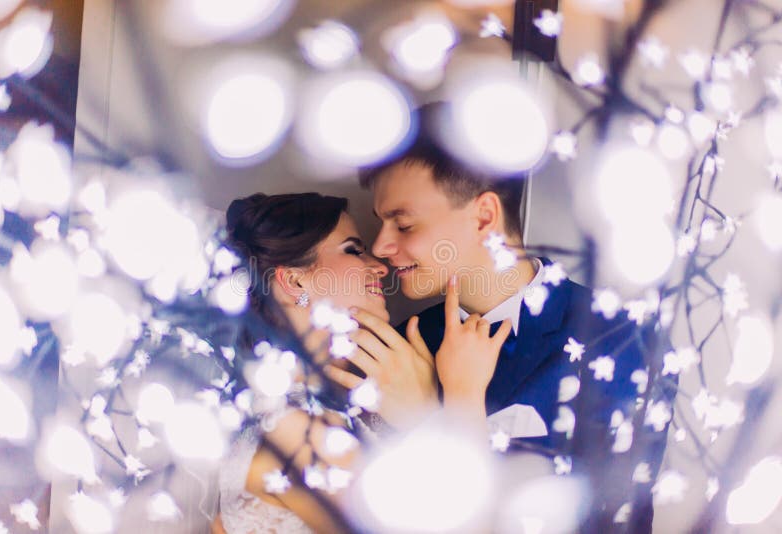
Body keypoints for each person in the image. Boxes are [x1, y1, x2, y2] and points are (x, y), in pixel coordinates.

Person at [358, 102, 672, 532]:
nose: (380, 247)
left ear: (484, 217)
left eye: (404, 224)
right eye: (380, 223)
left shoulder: (618, 339)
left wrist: (434, 418)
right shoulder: (401, 349)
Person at [214, 192, 510, 533]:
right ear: (295, 282)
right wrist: (462, 397)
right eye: (353, 250)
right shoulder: (295, 430)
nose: (380, 266)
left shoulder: (356, 406)